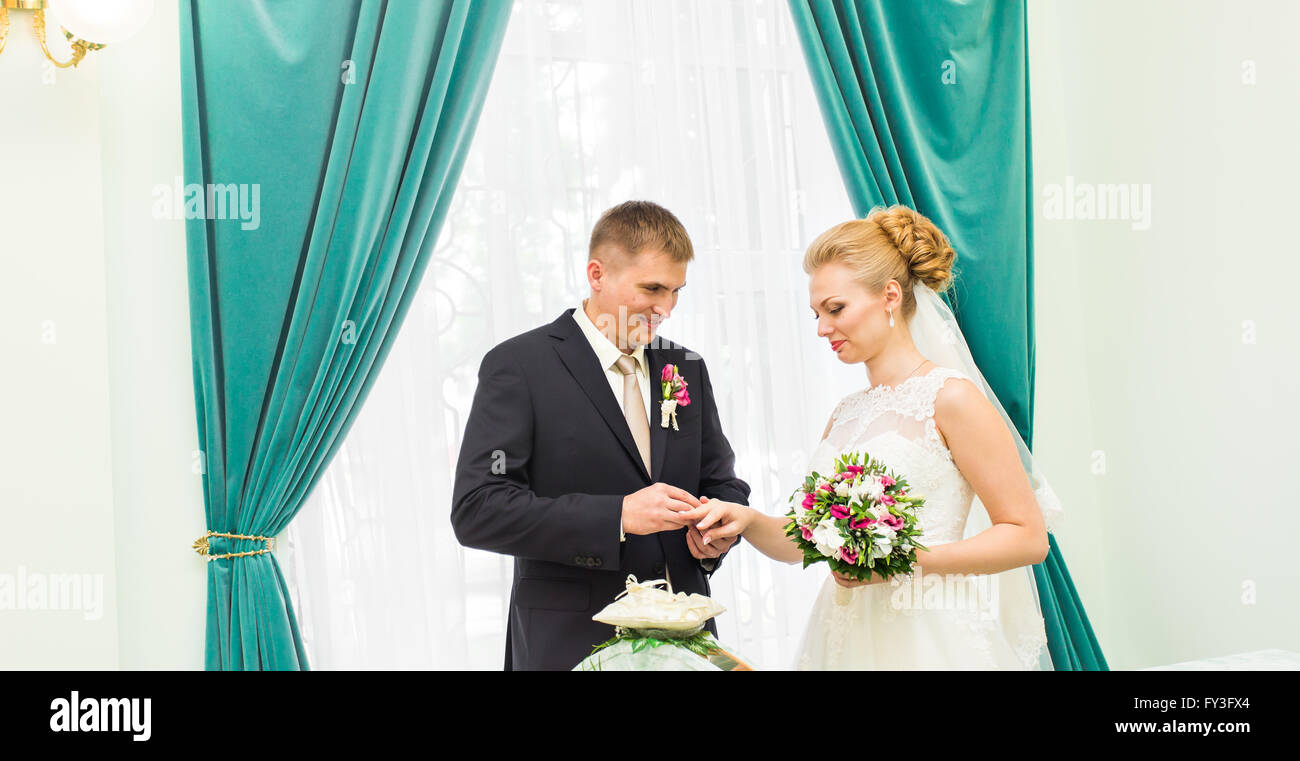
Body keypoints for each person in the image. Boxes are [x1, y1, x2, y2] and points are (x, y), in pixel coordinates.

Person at [684, 204, 1061, 669]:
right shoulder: (846, 414)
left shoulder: (951, 399)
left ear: (889, 295)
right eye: (817, 313)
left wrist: (901, 561)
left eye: (835, 309)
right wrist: (745, 519)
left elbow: (1027, 537)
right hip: (843, 639)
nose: (823, 328)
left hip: (930, 640)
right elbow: (805, 540)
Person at [450, 200, 751, 670]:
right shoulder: (520, 366)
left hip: (689, 645)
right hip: (571, 642)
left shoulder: (685, 367)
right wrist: (618, 515)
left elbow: (722, 480)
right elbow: (478, 510)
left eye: (676, 291)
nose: (665, 308)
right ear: (597, 274)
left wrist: (718, 529)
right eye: (652, 288)